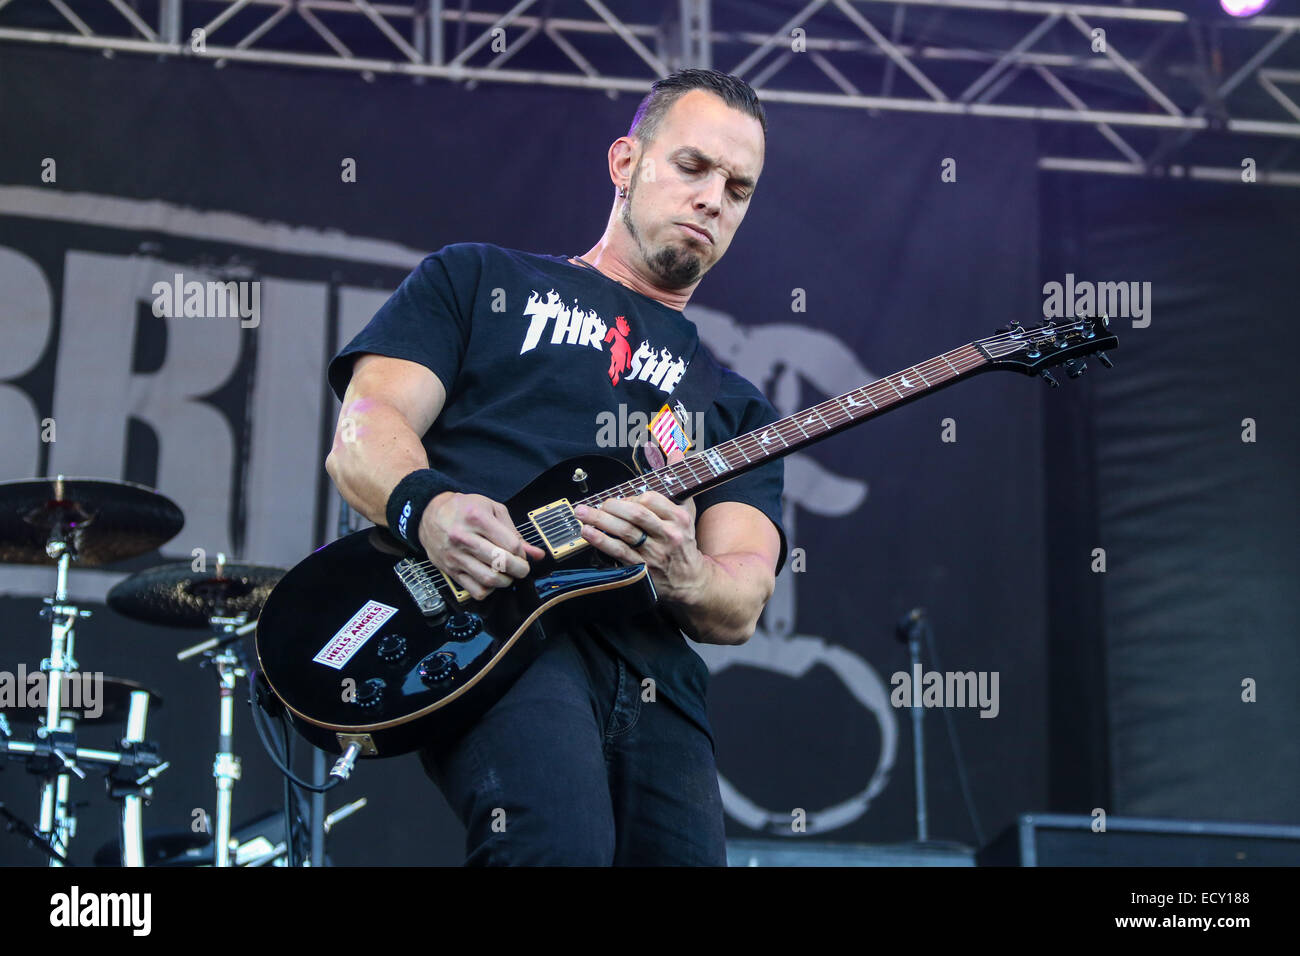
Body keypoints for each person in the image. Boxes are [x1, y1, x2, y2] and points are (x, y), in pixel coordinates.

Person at [325, 68, 787, 866]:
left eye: (738, 188)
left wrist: (684, 571)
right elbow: (365, 429)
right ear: (625, 162)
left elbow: (741, 599)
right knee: (554, 846)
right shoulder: (478, 279)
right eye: (693, 167)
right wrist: (431, 508)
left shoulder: (735, 404)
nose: (714, 198)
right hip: (501, 634)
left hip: (656, 677)